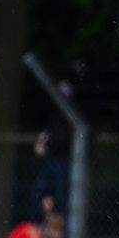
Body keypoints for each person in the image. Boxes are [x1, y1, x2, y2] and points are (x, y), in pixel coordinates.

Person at [31, 81, 73, 219]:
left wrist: (46, 146)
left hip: (63, 162)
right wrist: (41, 143)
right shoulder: (54, 115)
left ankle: (63, 233)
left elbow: (63, 139)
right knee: (40, 195)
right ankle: (41, 231)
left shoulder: (71, 116)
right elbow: (47, 134)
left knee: (62, 199)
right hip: (51, 161)